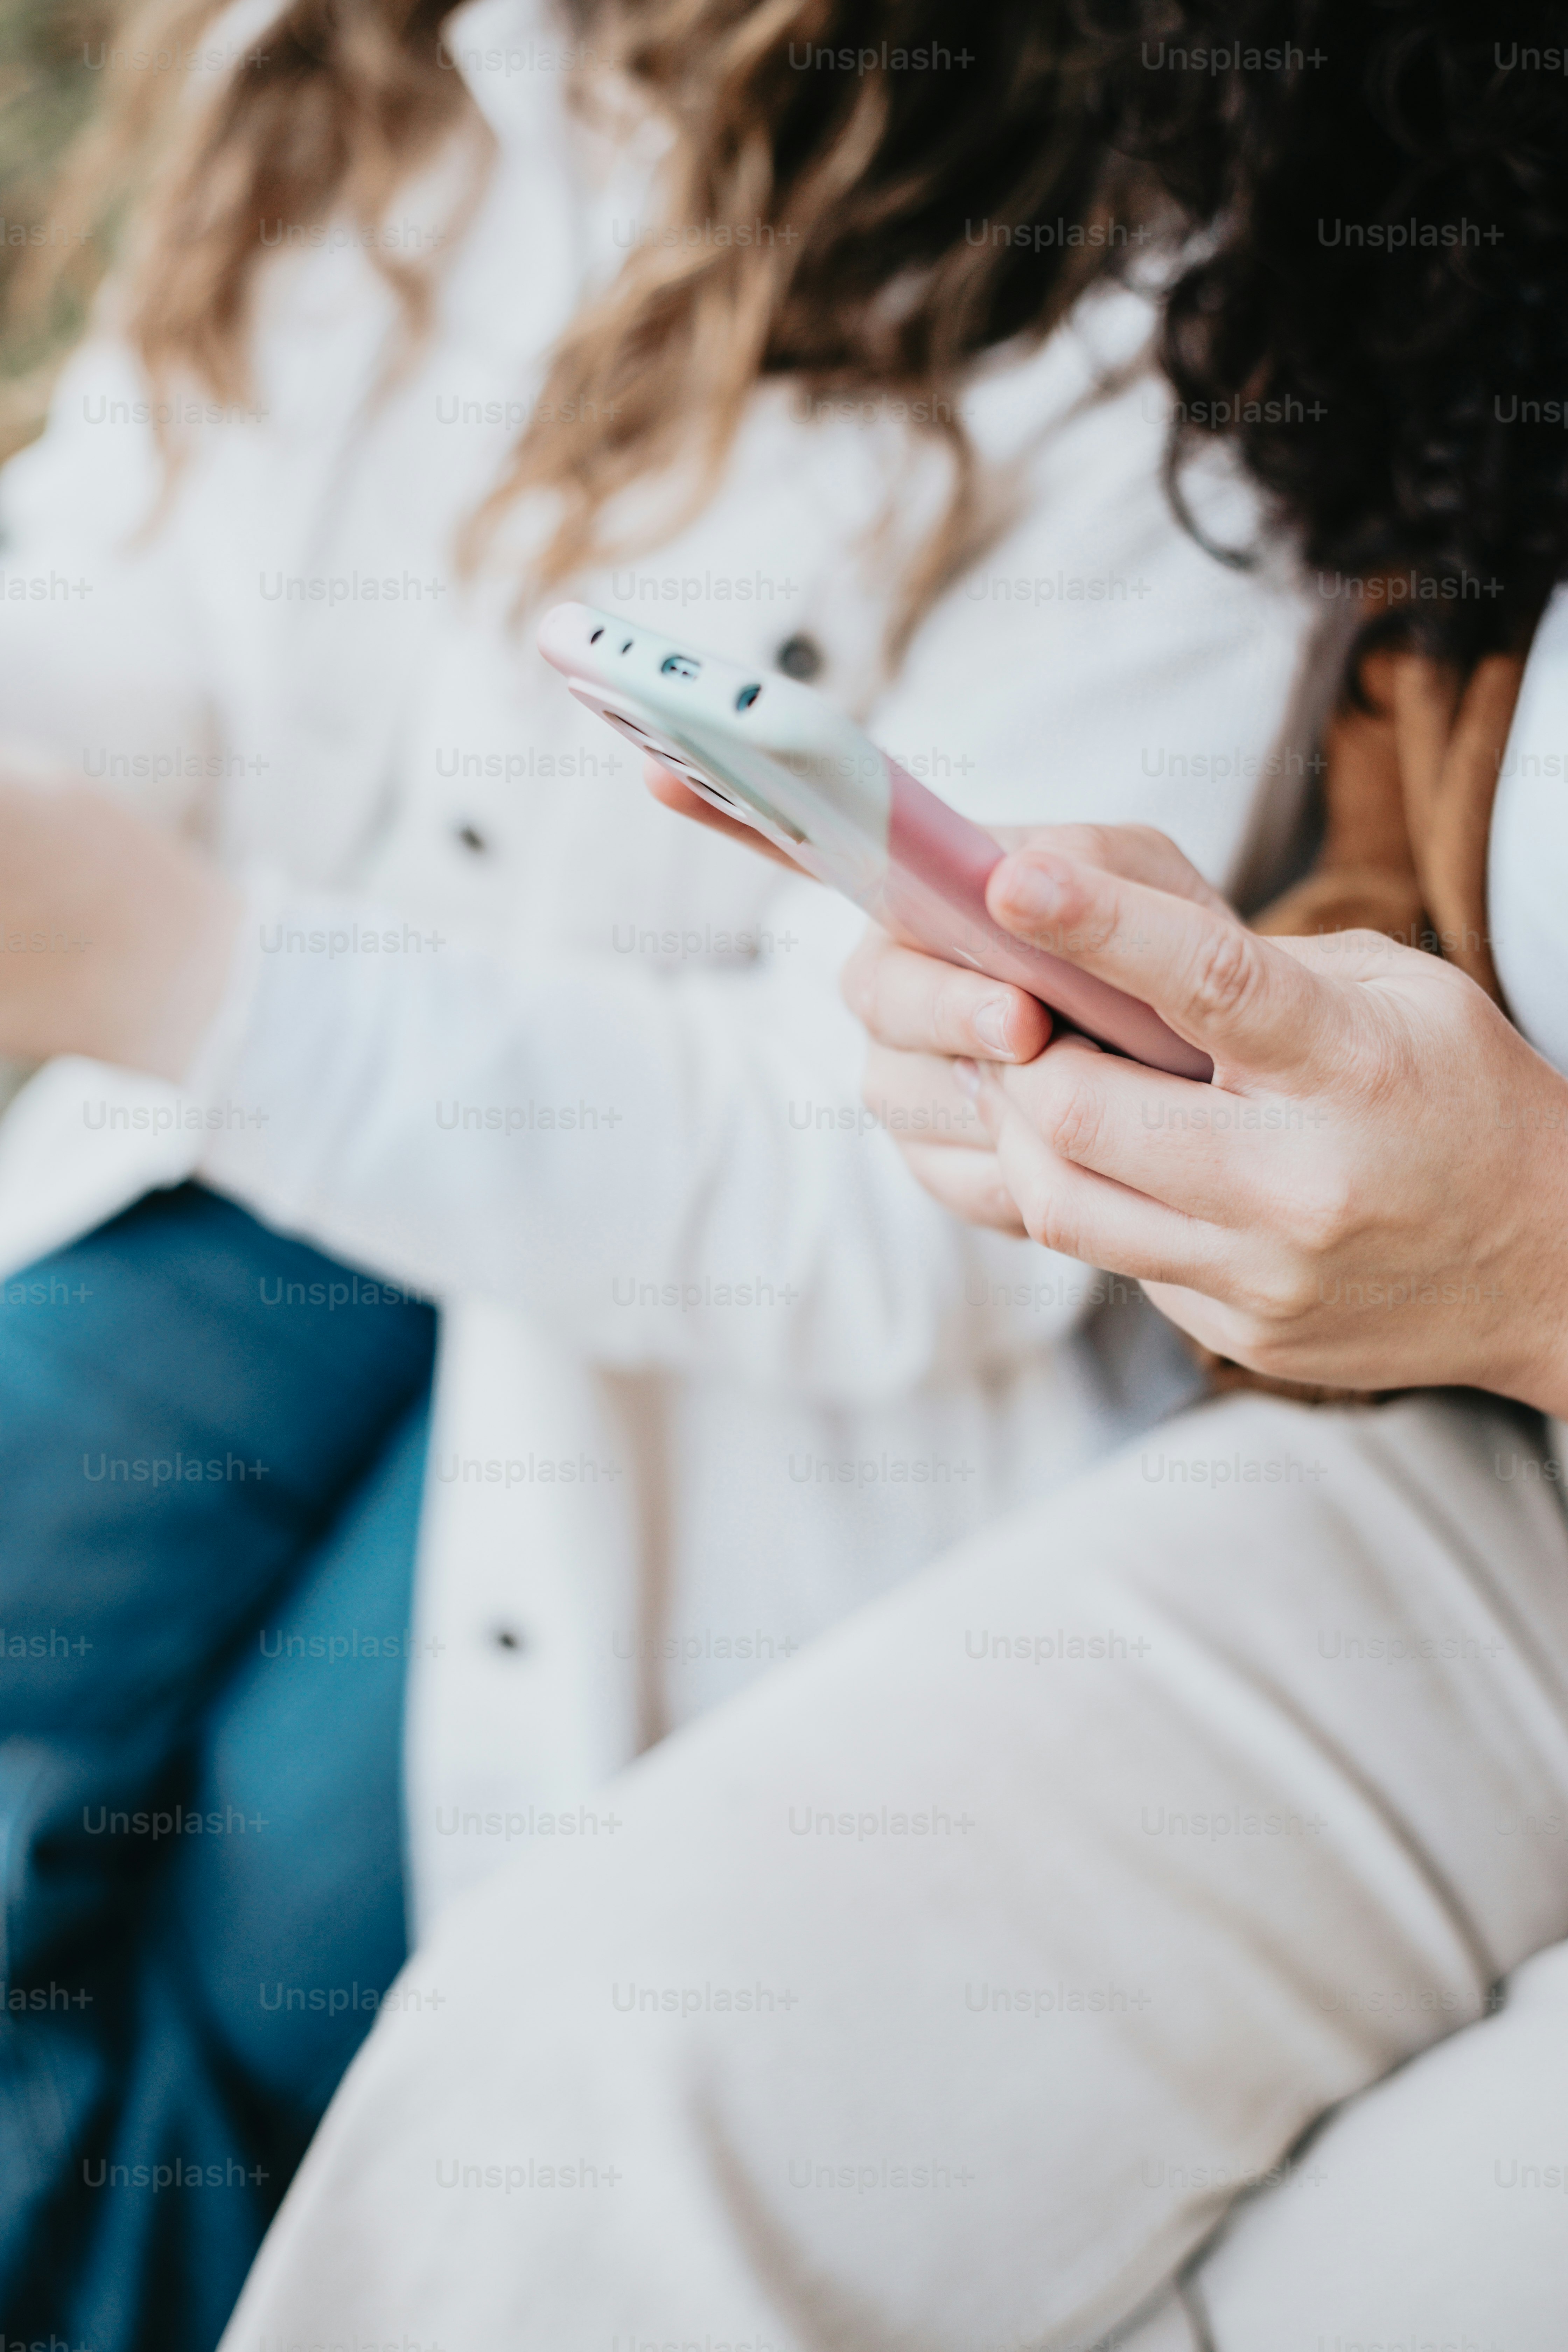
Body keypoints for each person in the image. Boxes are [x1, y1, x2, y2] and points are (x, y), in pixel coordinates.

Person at [158, 1, 1568, 2340]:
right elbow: (1412, 823)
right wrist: (1264, 1027)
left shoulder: (1064, 268)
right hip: (1503, 1490)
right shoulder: (1430, 190)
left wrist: (1530, 1257)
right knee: (565, 2116)